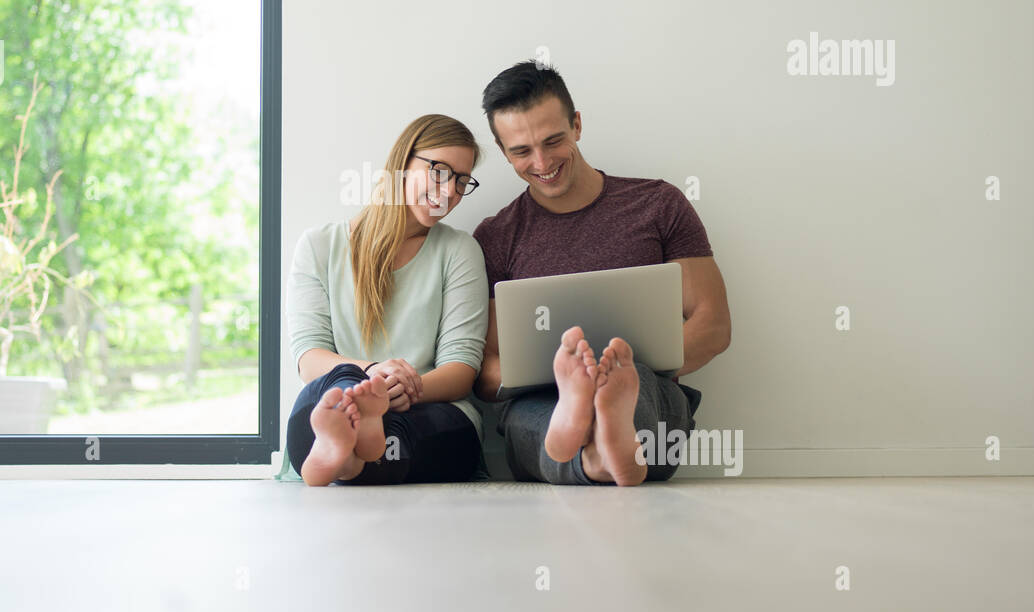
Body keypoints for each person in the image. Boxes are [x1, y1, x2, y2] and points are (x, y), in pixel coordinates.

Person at [472, 60, 732, 485]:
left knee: (633, 385)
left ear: (576, 124)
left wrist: (612, 371)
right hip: (543, 400)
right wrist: (569, 378)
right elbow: (486, 370)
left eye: (553, 140)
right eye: (521, 151)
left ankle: (602, 430)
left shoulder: (658, 205)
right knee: (537, 416)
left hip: (649, 389)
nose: (541, 161)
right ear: (503, 152)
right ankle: (603, 451)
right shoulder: (496, 237)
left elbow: (713, 324)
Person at [285, 114, 489, 486]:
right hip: (340, 394)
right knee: (330, 391)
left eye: (462, 181)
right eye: (440, 171)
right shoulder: (319, 246)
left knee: (433, 431)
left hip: (428, 406)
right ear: (402, 162)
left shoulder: (460, 250)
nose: (450, 192)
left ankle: (346, 459)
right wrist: (370, 376)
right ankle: (354, 434)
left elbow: (462, 369)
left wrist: (403, 389)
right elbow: (309, 358)